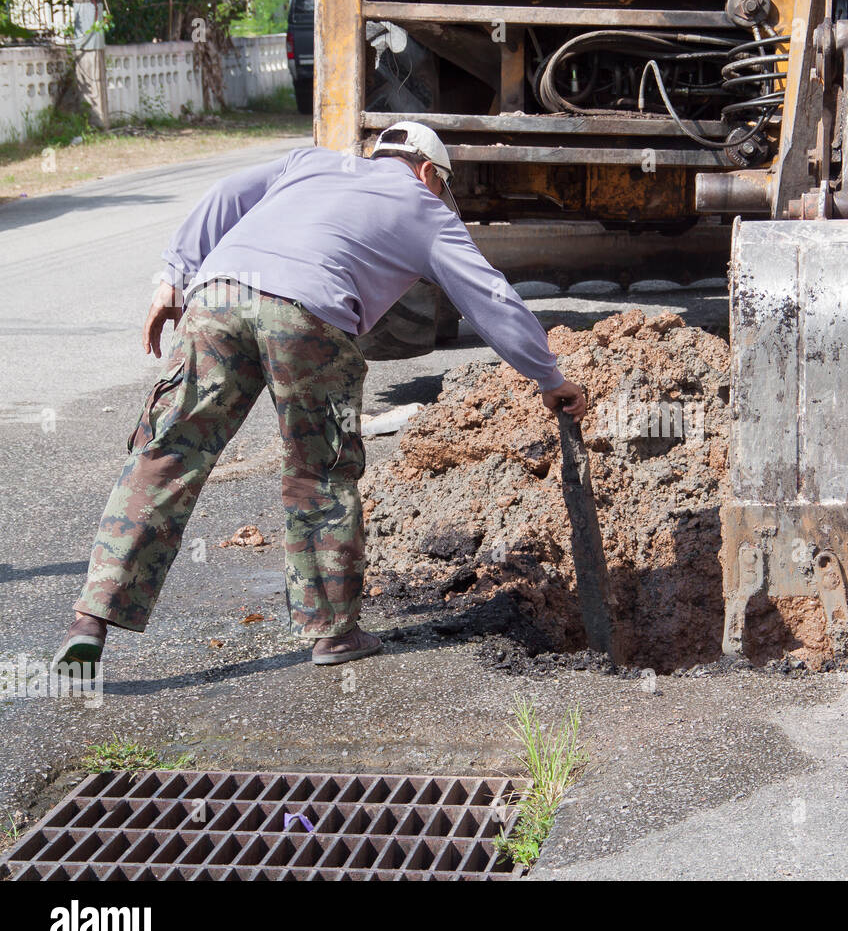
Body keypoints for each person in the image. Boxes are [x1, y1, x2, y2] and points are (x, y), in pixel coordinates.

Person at [54, 121, 586, 673]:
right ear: (429, 173)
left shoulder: (309, 162)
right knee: (319, 472)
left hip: (216, 297)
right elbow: (489, 296)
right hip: (307, 315)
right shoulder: (427, 210)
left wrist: (174, 275)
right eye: (440, 185)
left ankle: (91, 618)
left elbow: (224, 194)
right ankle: (332, 634)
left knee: (165, 454)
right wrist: (548, 375)